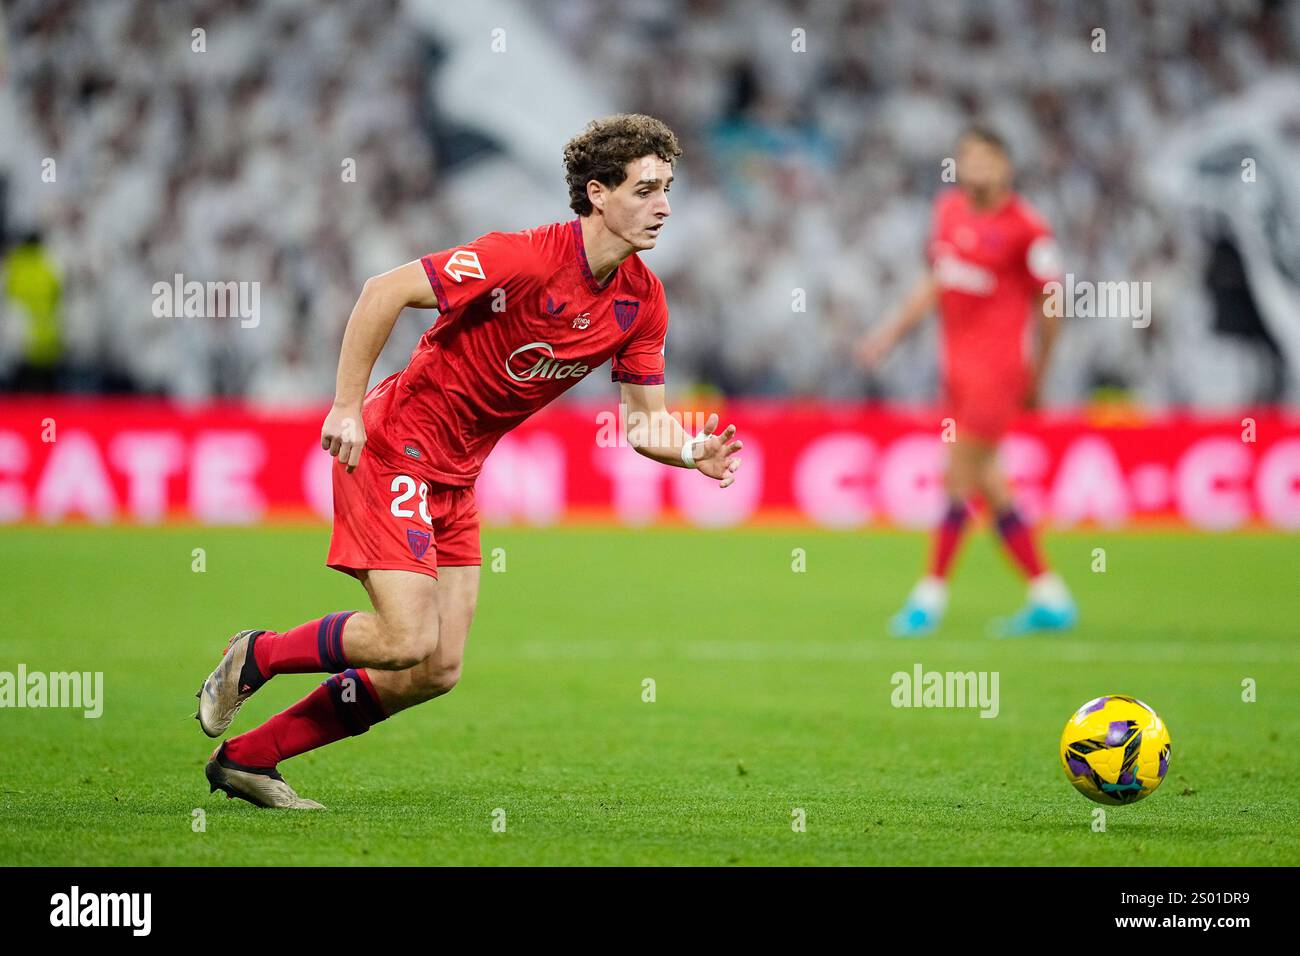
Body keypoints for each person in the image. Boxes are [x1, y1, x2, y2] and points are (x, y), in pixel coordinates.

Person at [195, 114, 742, 808]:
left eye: (668, 188)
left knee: (436, 667)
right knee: (404, 637)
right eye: (645, 189)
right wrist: (344, 406)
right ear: (598, 194)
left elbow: (646, 426)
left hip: (457, 474)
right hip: (395, 446)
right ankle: (257, 654)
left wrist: (693, 450)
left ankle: (248, 760)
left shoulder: (642, 300)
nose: (664, 205)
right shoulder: (522, 258)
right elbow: (382, 291)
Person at [857, 126, 1076, 638]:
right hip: (954, 369)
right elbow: (937, 280)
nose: (974, 166)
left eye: (985, 157)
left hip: (997, 374)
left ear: (1006, 166)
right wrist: (889, 334)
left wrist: (1038, 375)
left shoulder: (1028, 229)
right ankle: (1050, 596)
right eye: (966, 157)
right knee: (990, 482)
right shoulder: (948, 211)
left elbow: (1052, 306)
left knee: (957, 477)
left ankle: (927, 598)